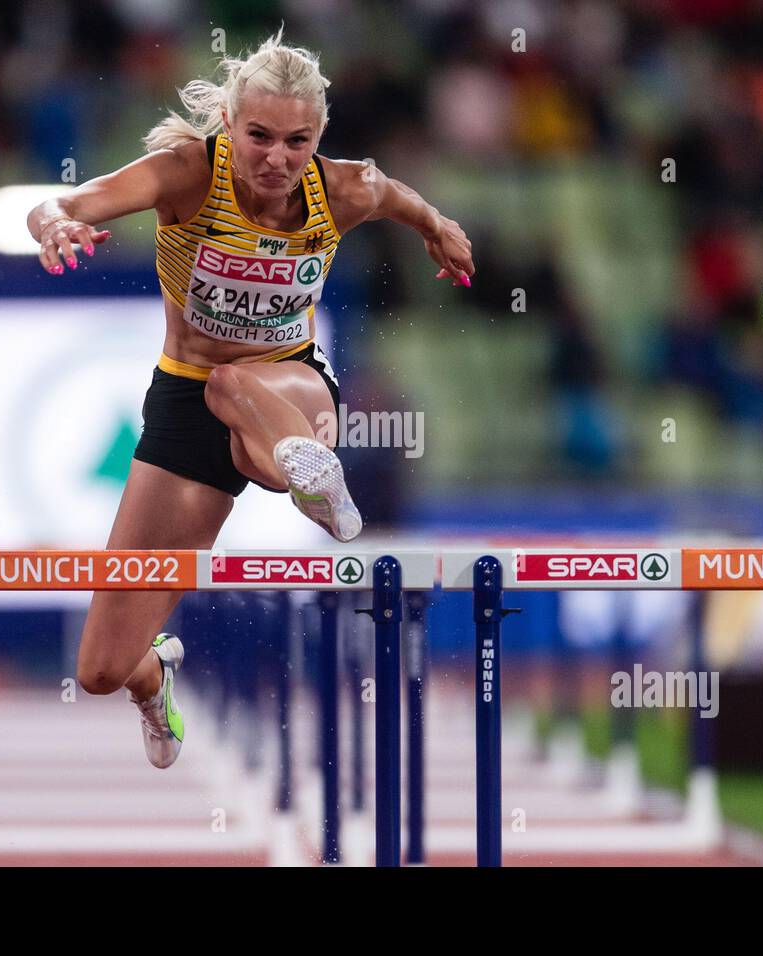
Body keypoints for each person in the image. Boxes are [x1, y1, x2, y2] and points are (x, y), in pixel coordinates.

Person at [26, 29, 474, 769]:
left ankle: (311, 482)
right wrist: (59, 226)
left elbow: (398, 194)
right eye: (260, 136)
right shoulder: (185, 174)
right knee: (101, 669)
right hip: (185, 407)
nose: (277, 158)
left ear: (318, 138)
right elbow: (62, 202)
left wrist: (438, 228)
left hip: (294, 389)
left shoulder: (343, 188)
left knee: (238, 382)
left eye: (297, 142)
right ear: (228, 127)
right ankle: (155, 678)